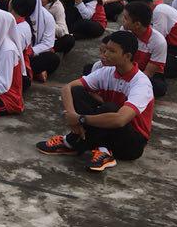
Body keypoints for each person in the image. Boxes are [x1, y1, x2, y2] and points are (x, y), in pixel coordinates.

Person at [36, 30, 154, 172]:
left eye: (111, 51)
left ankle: (72, 142)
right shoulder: (108, 71)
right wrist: (72, 117)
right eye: (106, 50)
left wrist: (80, 119)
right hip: (107, 131)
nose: (105, 54)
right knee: (78, 92)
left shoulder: (141, 83)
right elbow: (68, 88)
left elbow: (120, 120)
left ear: (127, 56)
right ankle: (100, 149)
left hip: (130, 143)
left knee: (110, 109)